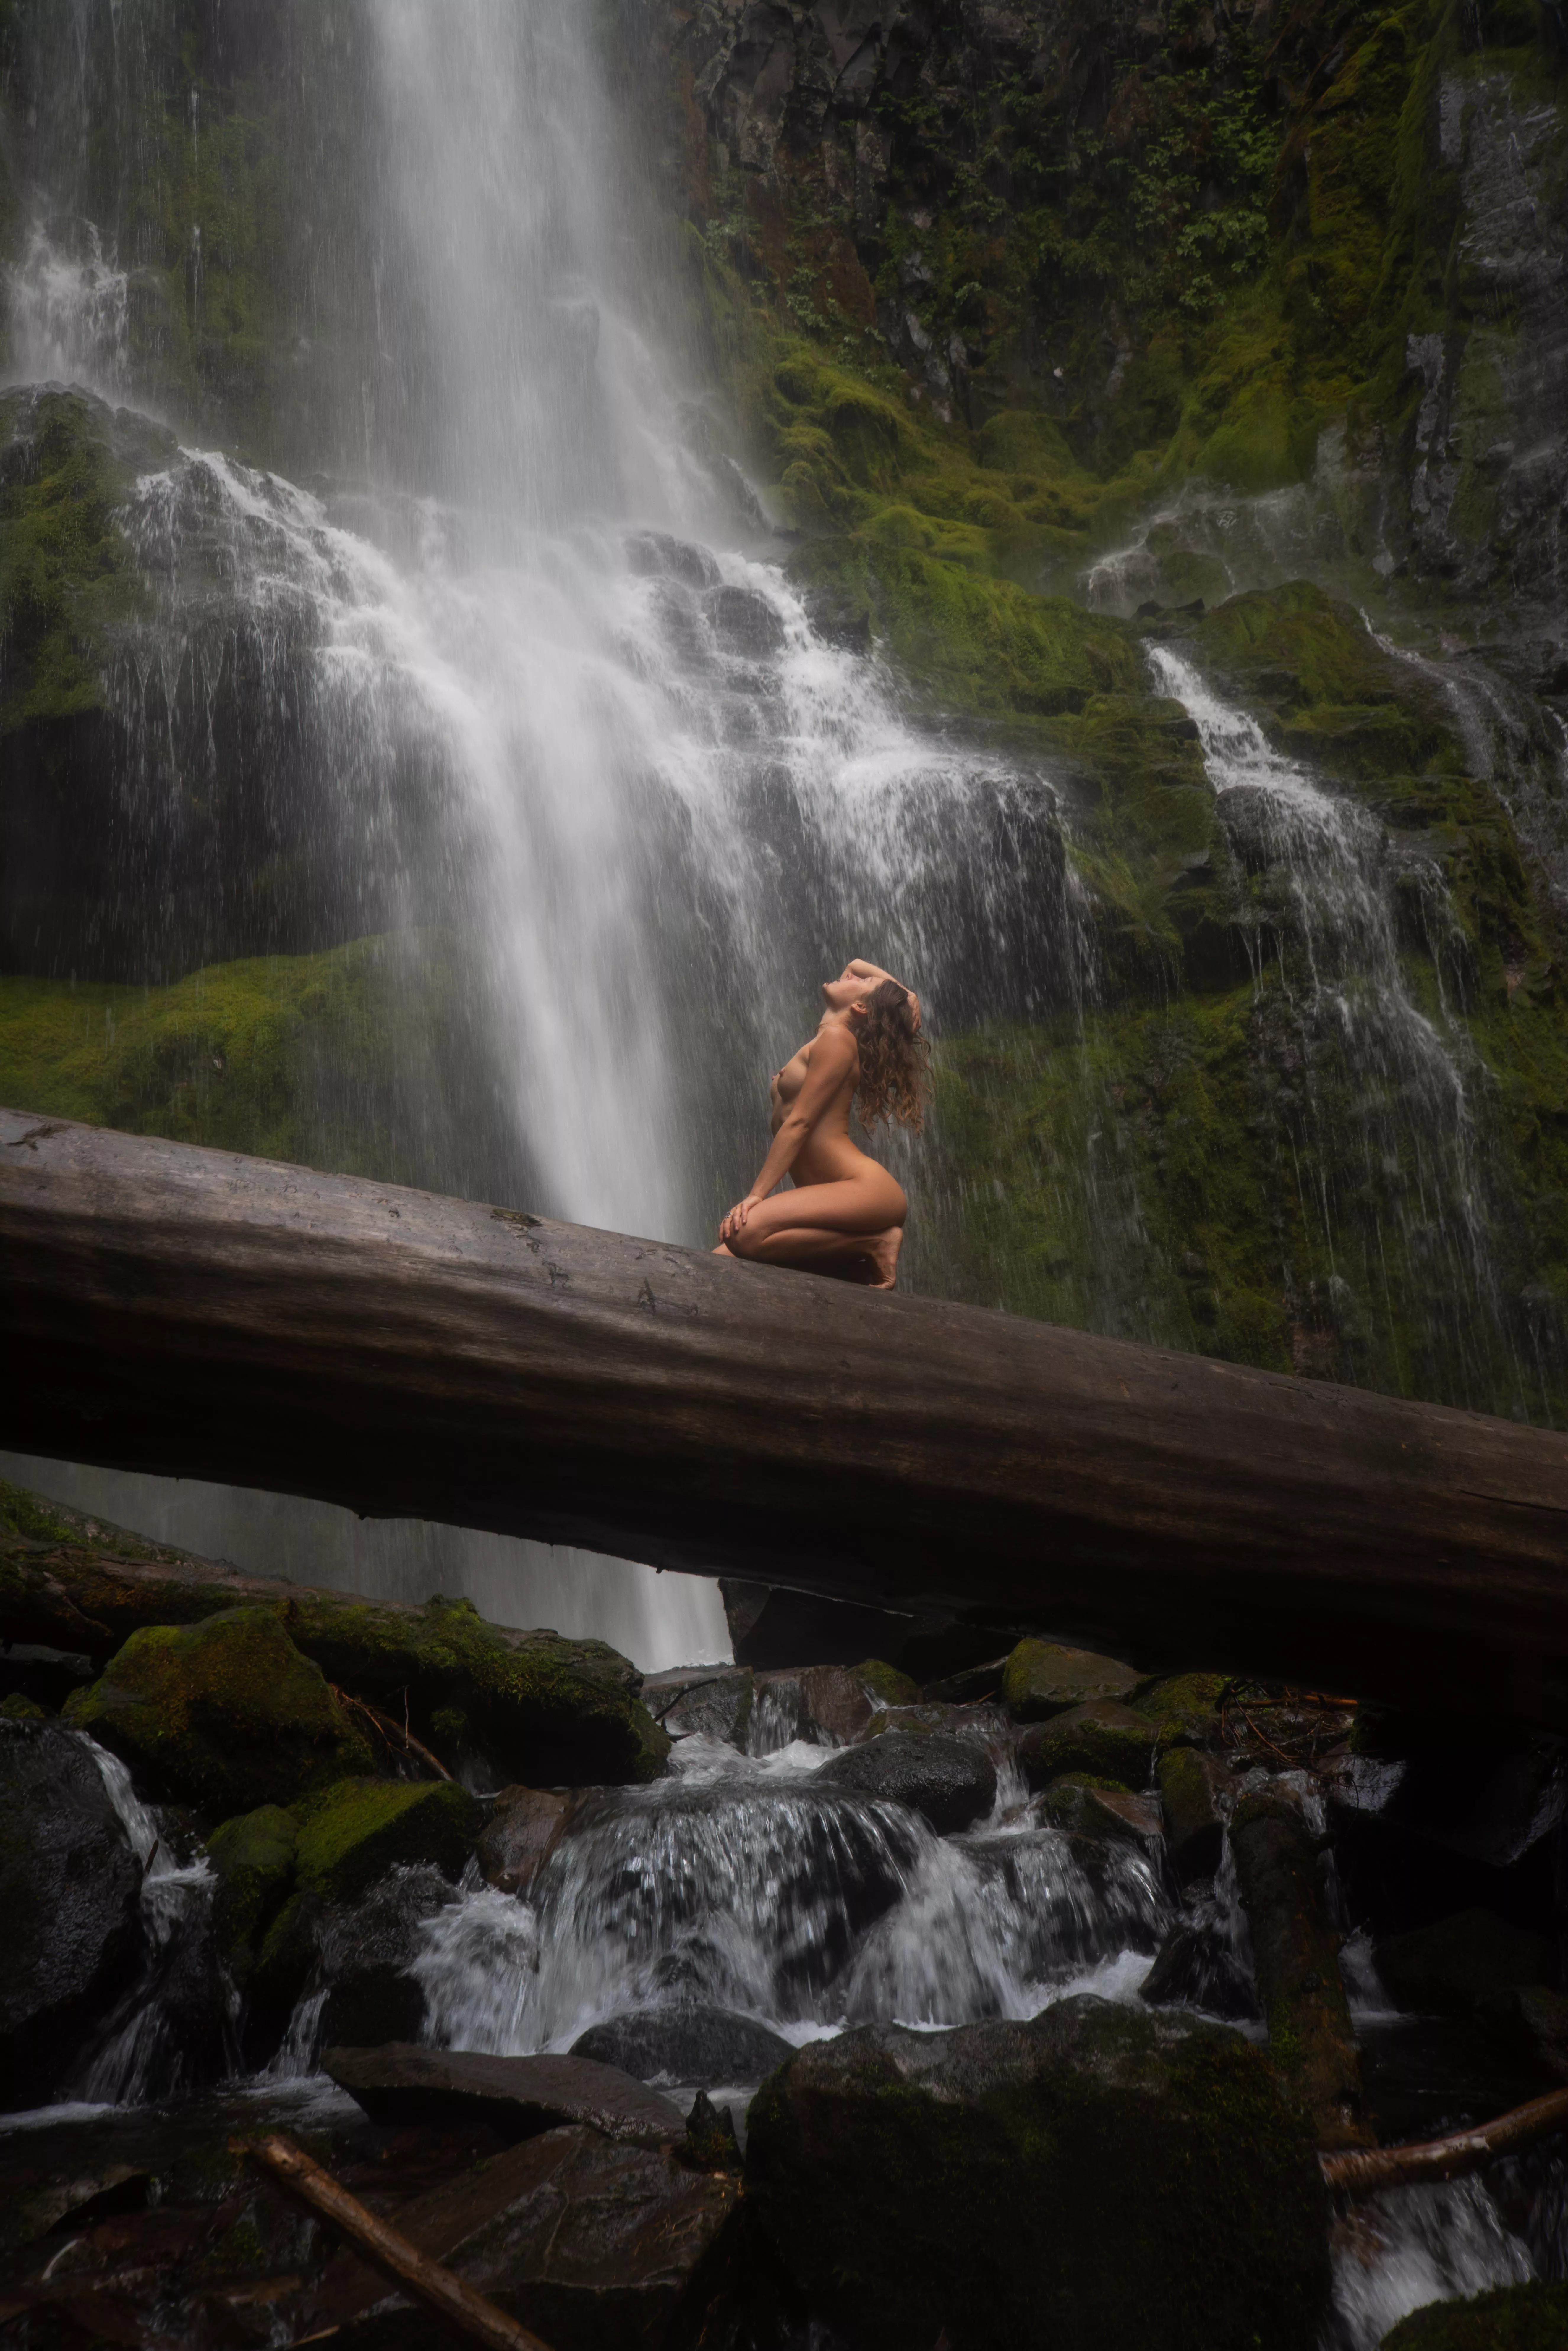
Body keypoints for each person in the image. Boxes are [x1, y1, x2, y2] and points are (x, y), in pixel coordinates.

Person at [714, 958, 928, 1289]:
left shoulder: (839, 1041)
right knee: (716, 1262)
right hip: (836, 1200)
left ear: (859, 1006)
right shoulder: (826, 1041)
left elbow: (800, 1123)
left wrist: (756, 1195)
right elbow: (855, 963)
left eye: (865, 982)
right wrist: (907, 992)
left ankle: (874, 1243)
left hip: (864, 1189)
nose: (854, 974)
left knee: (745, 1232)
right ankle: (854, 1268)